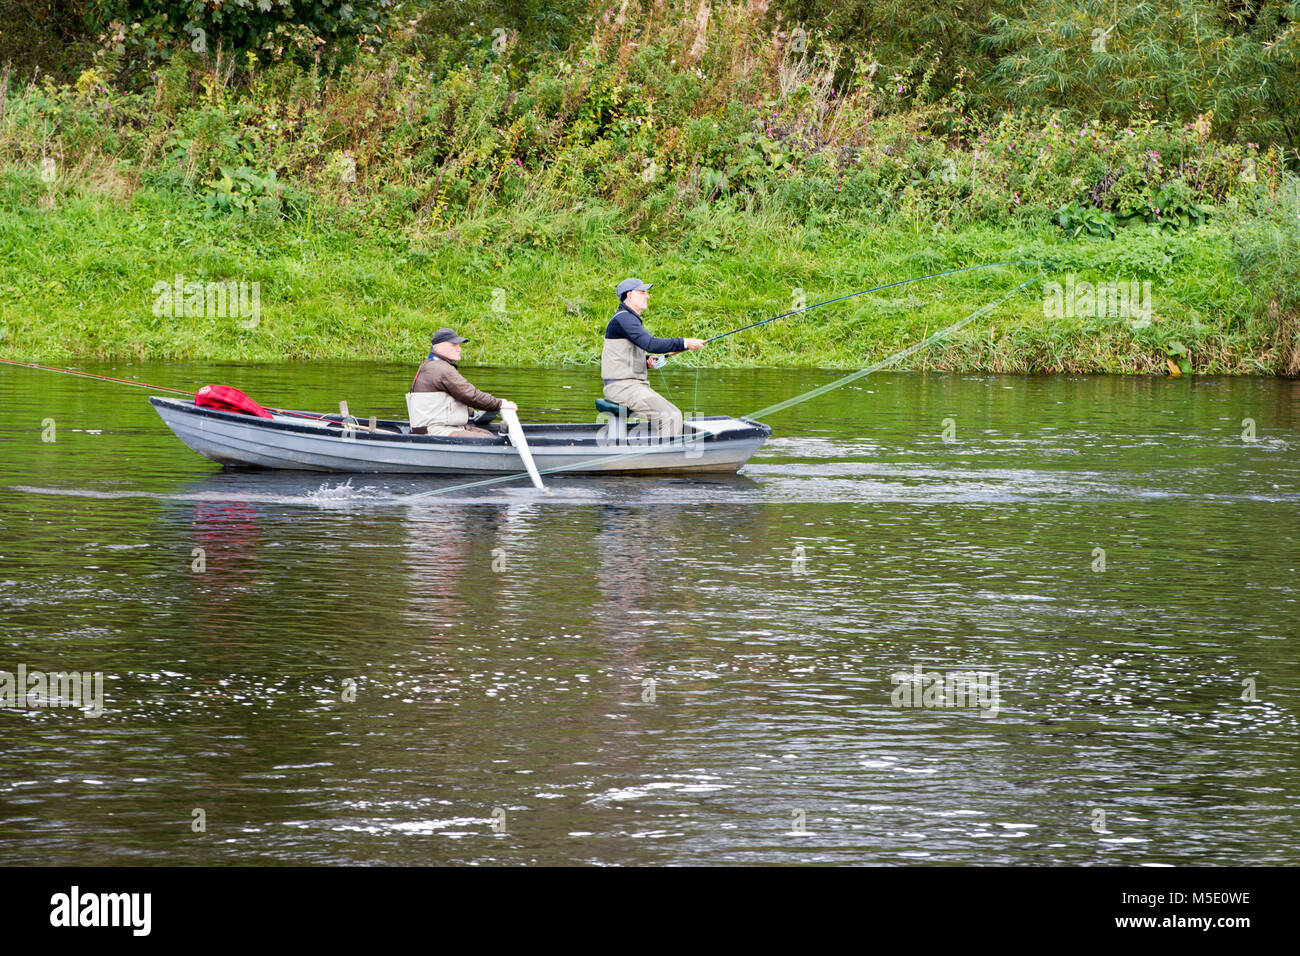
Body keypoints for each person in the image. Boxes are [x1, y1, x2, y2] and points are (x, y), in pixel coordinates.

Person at [602, 278, 705, 437]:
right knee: (670, 417)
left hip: (631, 386)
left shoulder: (628, 319)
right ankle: (664, 458)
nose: (647, 296)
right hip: (622, 388)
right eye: (642, 292)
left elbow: (628, 351)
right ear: (629, 295)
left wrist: (646, 360)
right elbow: (650, 343)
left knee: (674, 415)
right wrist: (684, 343)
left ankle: (665, 452)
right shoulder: (624, 319)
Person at [407, 328, 517, 437]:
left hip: (433, 427)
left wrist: (470, 412)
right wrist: (499, 404)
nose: (459, 349)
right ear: (439, 348)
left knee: (487, 433)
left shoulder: (430, 364)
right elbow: (470, 395)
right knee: (487, 439)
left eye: (459, 345)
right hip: (434, 430)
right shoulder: (441, 369)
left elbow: (444, 400)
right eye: (454, 345)